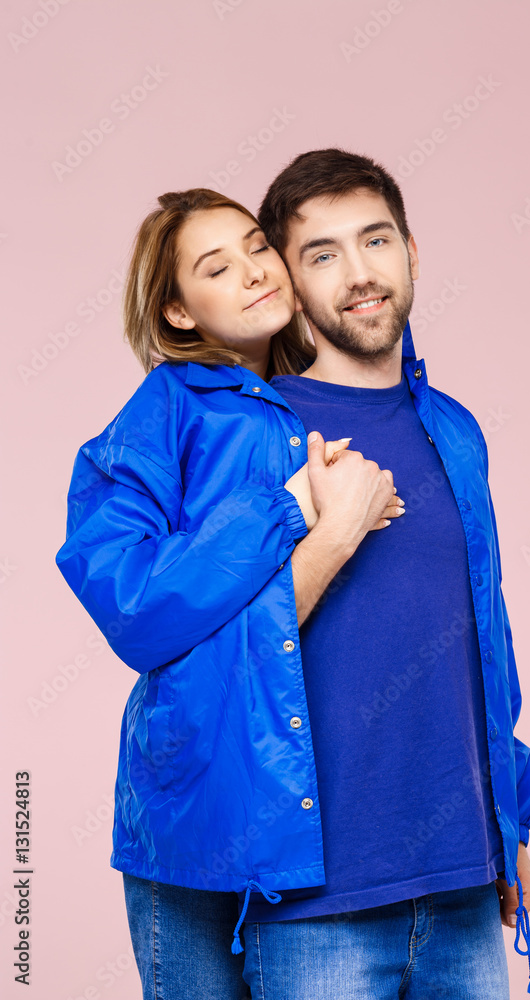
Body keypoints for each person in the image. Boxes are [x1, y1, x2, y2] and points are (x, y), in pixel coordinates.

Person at [54, 187, 406, 1000]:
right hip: (194, 805)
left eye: (257, 247)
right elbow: (131, 601)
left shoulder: (333, 393)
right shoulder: (166, 411)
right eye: (216, 268)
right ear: (178, 312)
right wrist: (286, 507)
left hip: (324, 822)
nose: (254, 272)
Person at [231, 147, 530, 999]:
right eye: (322, 254)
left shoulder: (454, 428)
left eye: (374, 240)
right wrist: (329, 536)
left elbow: (484, 634)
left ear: (410, 252)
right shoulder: (254, 430)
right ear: (290, 286)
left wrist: (511, 819)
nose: (359, 273)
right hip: (313, 903)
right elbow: (220, 650)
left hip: (465, 884)